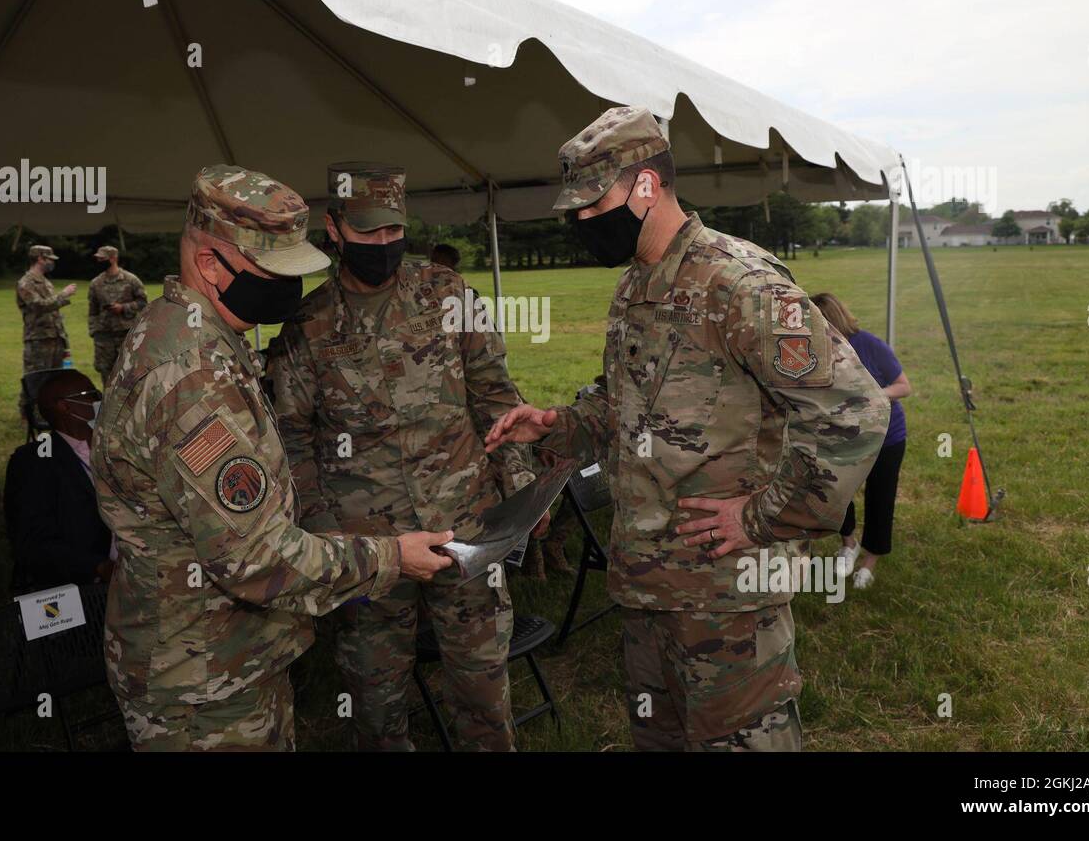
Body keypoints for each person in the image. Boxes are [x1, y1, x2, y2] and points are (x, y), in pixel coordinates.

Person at [485, 106, 890, 751]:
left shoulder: (738, 282)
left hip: (726, 593)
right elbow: (627, 406)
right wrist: (557, 425)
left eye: (595, 205)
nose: (583, 223)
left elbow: (853, 411)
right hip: (649, 585)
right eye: (576, 211)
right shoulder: (634, 288)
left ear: (646, 187)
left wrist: (764, 518)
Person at [90, 163, 453, 752]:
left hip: (226, 658)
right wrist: (390, 558)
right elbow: (258, 559)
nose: (289, 289)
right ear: (210, 264)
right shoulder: (188, 377)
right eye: (272, 272)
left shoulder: (202, 335)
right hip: (200, 685)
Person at [268, 162, 540, 752]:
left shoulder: (446, 293)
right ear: (334, 229)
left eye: (394, 232)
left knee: (483, 684)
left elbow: (494, 393)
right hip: (369, 547)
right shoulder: (306, 327)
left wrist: (519, 488)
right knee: (375, 693)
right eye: (368, 234)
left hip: (466, 526)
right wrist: (323, 536)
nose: (384, 245)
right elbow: (291, 442)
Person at [810, 293, 912, 589]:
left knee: (881, 498)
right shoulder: (816, 350)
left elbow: (904, 387)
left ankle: (870, 560)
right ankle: (848, 543)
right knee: (838, 492)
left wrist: (876, 395)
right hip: (842, 437)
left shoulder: (869, 344)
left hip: (886, 438)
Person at [5, 369, 113, 593]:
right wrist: (99, 567)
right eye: (91, 394)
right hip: (84, 585)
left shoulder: (117, 448)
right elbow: (32, 542)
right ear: (65, 406)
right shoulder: (34, 462)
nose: (100, 400)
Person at [16, 244, 76, 417]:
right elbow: (39, 306)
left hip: (55, 337)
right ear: (40, 259)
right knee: (35, 377)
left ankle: (48, 411)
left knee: (54, 378)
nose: (52, 262)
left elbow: (51, 308)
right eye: (49, 259)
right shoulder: (25, 283)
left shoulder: (45, 281)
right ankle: (28, 413)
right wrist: (63, 294)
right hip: (38, 339)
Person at [86, 245, 148, 385]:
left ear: (113, 258)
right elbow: (92, 310)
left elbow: (143, 303)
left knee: (129, 374)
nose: (99, 261)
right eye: (98, 259)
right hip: (104, 336)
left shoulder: (131, 280)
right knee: (106, 374)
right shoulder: (95, 283)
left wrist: (124, 308)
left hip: (126, 334)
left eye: (102, 259)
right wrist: (94, 331)